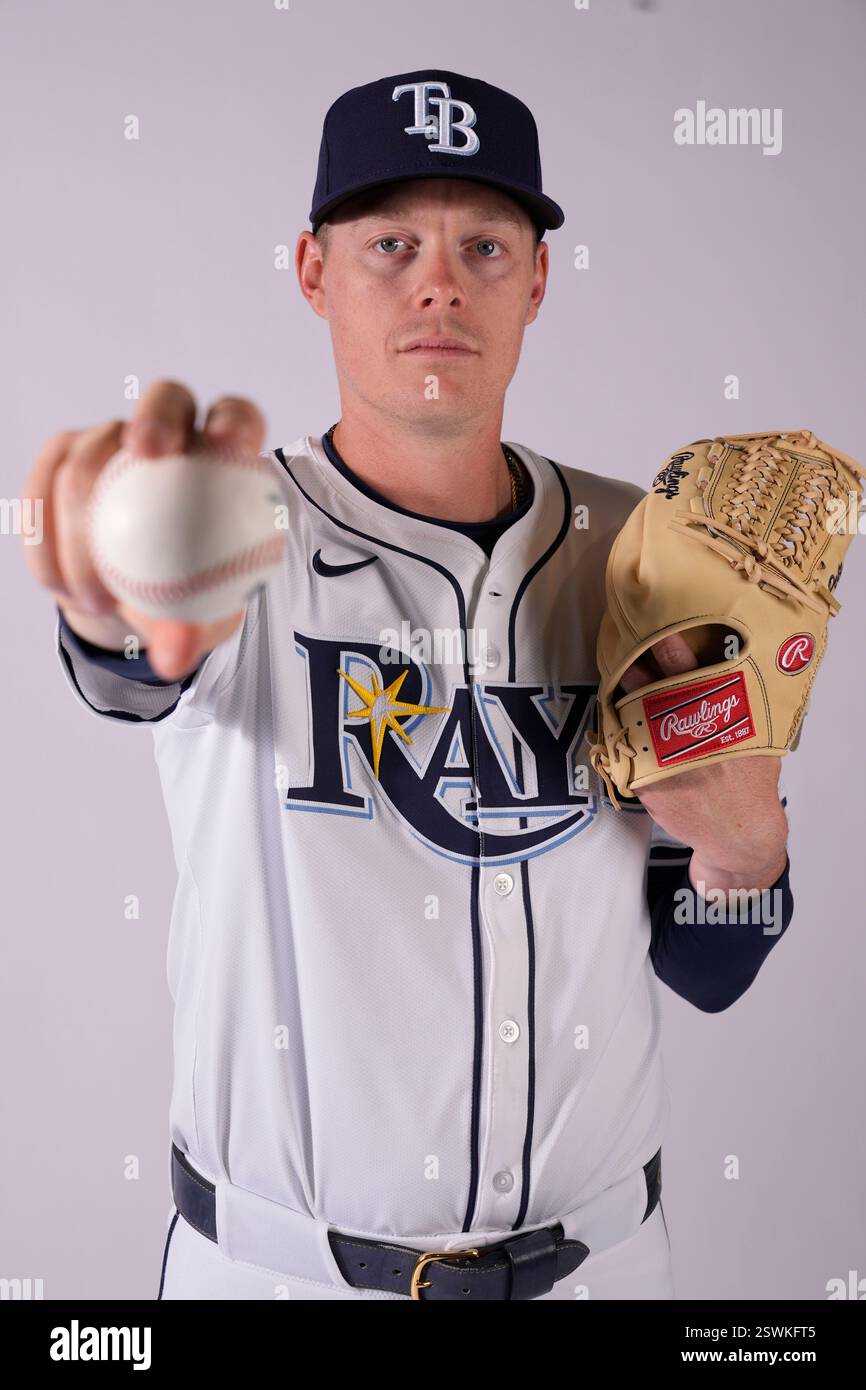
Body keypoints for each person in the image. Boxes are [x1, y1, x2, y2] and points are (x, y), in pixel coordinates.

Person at [23, 68, 793, 1301]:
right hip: (279, 1279)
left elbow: (708, 973)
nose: (439, 283)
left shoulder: (645, 555)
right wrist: (112, 596)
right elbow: (129, 659)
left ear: (535, 281)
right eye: (390, 244)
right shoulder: (233, 534)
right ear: (312, 270)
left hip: (599, 1268)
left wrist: (743, 859)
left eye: (483, 246)